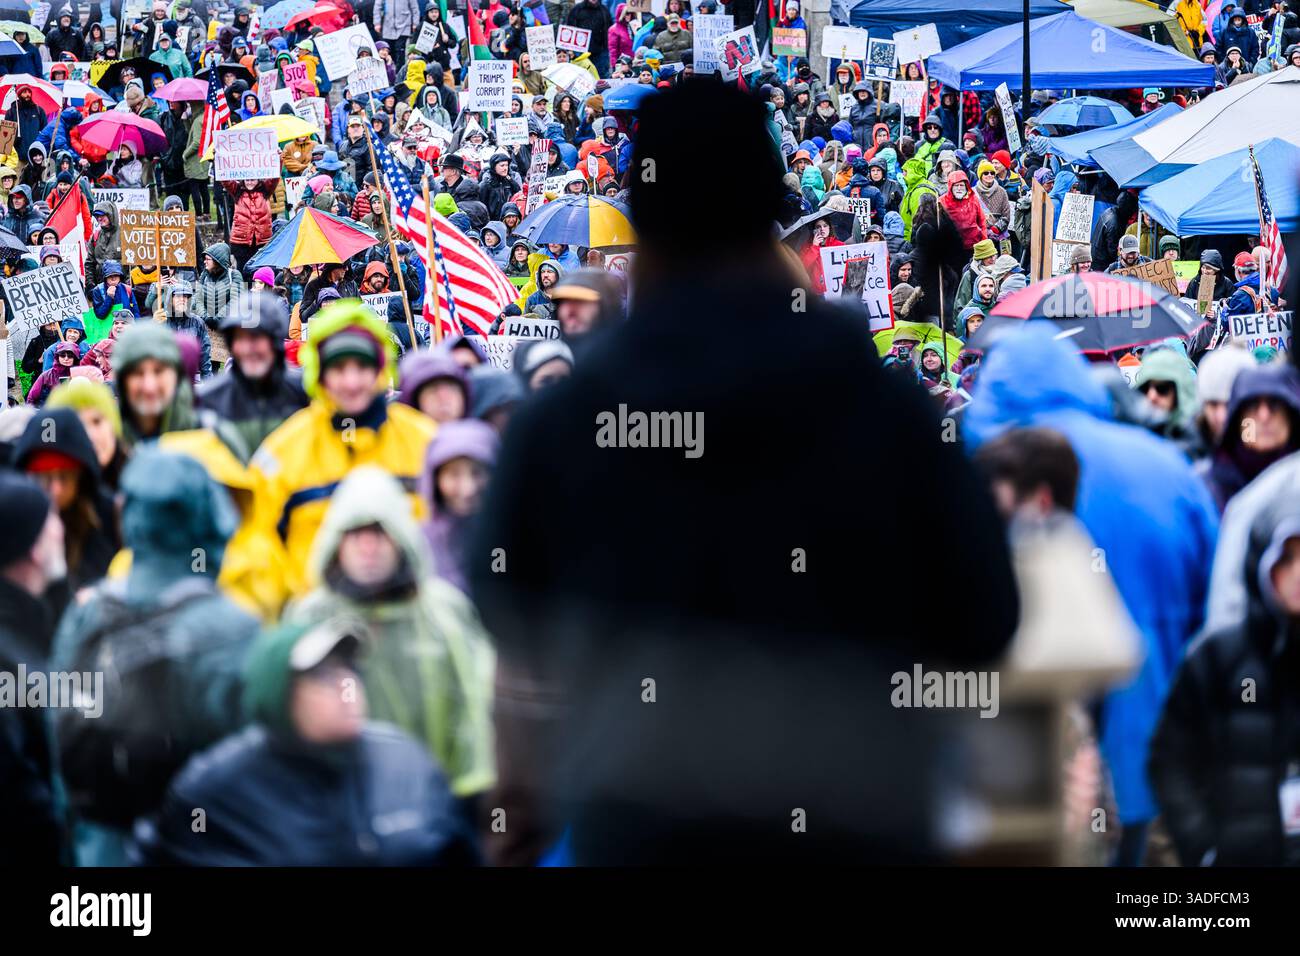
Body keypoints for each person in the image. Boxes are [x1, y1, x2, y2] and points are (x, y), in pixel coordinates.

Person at [470, 81, 1019, 866]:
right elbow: (985, 620)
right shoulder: (888, 412)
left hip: (640, 834)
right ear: (772, 216)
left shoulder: (565, 423)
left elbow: (512, 627)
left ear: (643, 223)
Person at [965, 323, 1219, 867]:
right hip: (1164, 762)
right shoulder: (1168, 468)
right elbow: (1216, 618)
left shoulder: (983, 480)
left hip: (1031, 782)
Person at [50, 447, 259, 866]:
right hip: (203, 848)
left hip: (102, 855)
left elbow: (56, 735)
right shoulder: (234, 628)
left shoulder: (88, 613)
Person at [136, 617, 478, 866]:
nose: (347, 688)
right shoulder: (217, 788)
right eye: (323, 676)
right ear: (278, 694)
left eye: (349, 669)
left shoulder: (405, 760)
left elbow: (460, 852)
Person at [283, 466, 495, 800]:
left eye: (380, 533)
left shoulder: (444, 612)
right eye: (355, 533)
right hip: (334, 804)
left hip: (432, 804)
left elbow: (474, 708)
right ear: (335, 540)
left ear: (403, 537)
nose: (368, 547)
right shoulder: (309, 615)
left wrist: (470, 796)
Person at [240, 301, 437, 614]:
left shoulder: (425, 441)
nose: (351, 382)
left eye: (361, 367)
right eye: (339, 369)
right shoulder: (282, 453)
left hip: (410, 628)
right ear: (319, 374)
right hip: (316, 637)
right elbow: (255, 553)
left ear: (380, 370)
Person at [1151, 491, 1300, 865]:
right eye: (1287, 557)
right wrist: (1204, 846)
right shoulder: (1217, 657)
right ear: (1260, 562)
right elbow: (1170, 760)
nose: (1299, 573)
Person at [0, 474, 66, 865]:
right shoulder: (9, 654)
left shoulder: (33, 623)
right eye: (52, 519)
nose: (61, 528)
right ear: (36, 549)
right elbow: (17, 793)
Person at [11, 407, 120, 597]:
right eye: (43, 478)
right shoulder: (11, 524)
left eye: (65, 477)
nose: (55, 489)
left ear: (82, 477)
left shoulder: (109, 519)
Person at [195, 293, 309, 456]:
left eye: (256, 337)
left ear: (275, 340)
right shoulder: (210, 399)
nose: (248, 349)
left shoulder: (303, 394)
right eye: (240, 338)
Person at [1200, 363, 1300, 513]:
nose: (1264, 416)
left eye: (1274, 405)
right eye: (1253, 406)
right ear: (1237, 419)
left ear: (1290, 416)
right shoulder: (1207, 486)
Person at [111, 323, 199, 449]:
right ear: (122, 380)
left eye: (159, 371)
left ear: (176, 376)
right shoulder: (106, 441)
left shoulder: (207, 436)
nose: (149, 387)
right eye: (138, 373)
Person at [193, 242, 247, 330]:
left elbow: (235, 301)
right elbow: (198, 298)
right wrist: (206, 317)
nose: (204, 261)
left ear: (217, 261)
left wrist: (217, 319)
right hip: (207, 327)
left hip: (228, 328)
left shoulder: (234, 275)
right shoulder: (204, 275)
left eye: (208, 259)